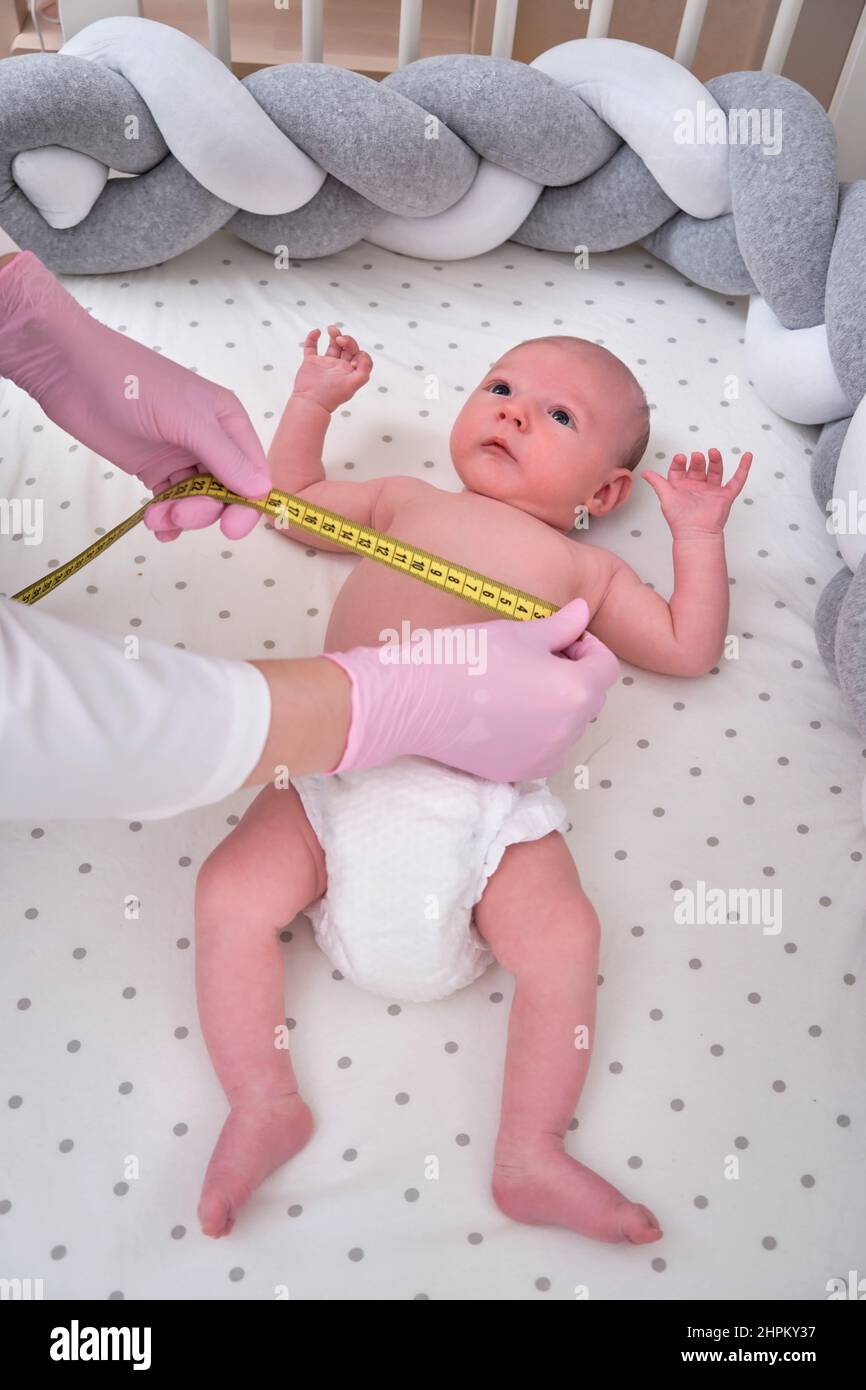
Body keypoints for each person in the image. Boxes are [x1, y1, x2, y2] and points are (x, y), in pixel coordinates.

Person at [0, 236, 620, 819]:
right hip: (329, 763)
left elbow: (686, 647)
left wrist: (699, 537)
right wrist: (311, 406)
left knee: (554, 924)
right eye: (501, 386)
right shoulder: (408, 499)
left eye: (561, 415)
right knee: (237, 893)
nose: (513, 411)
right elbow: (293, 503)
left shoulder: (593, 571)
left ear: (604, 491)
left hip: (485, 784)